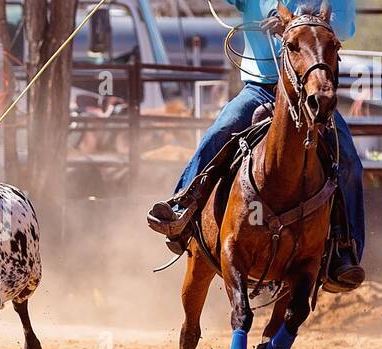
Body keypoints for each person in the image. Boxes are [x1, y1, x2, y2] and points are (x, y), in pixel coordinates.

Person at [147, 0, 365, 293]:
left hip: (309, 91)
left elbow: (342, 25)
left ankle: (344, 247)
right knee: (221, 130)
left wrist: (292, 24)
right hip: (261, 87)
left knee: (349, 161)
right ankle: (183, 206)